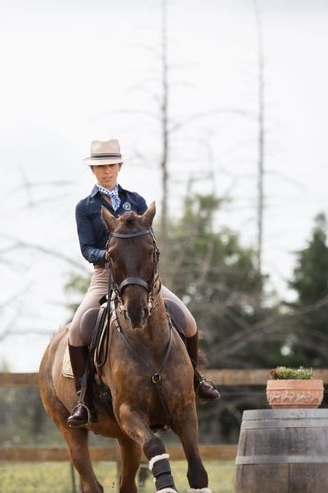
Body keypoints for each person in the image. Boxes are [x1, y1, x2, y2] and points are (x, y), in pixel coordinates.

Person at [66, 138, 220, 426]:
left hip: (140, 277)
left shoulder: (135, 201)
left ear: (119, 166)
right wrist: (112, 255)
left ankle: (197, 380)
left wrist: (136, 259)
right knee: (76, 331)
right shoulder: (84, 207)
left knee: (188, 322)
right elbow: (87, 249)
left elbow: (148, 240)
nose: (106, 171)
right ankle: (83, 399)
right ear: (93, 170)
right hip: (105, 275)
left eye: (110, 165)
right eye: (100, 167)